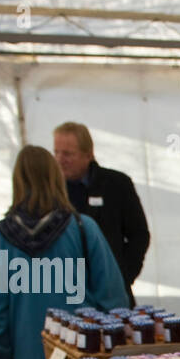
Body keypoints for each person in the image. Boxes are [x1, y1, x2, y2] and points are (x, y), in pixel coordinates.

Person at [0, 146, 128, 359]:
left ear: (17, 181)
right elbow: (112, 295)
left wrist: (4, 356)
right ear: (56, 177)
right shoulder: (83, 228)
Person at [53, 122, 151, 305]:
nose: (59, 159)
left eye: (67, 153)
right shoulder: (50, 191)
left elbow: (139, 235)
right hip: (67, 298)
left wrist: (122, 277)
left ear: (88, 154)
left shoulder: (117, 185)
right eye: (56, 152)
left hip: (112, 297)